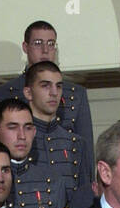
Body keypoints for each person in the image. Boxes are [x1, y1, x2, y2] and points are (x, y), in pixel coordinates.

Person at [0, 21, 94, 141]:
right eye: (38, 43)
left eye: (51, 44)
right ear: (25, 47)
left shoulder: (76, 93)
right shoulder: (2, 93)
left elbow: (86, 146)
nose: (45, 50)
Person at [0, 98, 71, 208]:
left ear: (34, 132)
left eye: (27, 128)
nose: (22, 136)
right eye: (13, 128)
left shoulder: (54, 181)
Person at [23, 61, 84, 194]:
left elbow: (83, 195)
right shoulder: (19, 140)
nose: (54, 92)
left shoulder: (75, 143)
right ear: (28, 92)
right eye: (45, 86)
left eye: (59, 86)